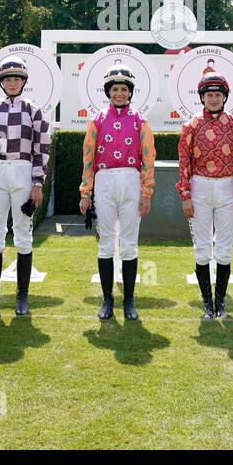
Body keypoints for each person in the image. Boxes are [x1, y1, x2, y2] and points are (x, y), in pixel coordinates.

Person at [0, 57, 51, 316]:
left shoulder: (34, 111)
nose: (12, 82)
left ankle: (22, 297)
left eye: (17, 78)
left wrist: (37, 183)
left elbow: (42, 150)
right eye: (8, 79)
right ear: (1, 82)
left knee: (23, 235)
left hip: (23, 171)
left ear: (24, 81)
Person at [79, 64, 155, 321]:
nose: (119, 93)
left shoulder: (140, 120)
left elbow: (148, 158)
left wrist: (146, 192)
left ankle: (129, 302)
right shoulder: (97, 120)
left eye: (123, 89)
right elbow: (88, 157)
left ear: (130, 92)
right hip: (104, 180)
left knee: (129, 244)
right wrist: (85, 192)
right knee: (106, 243)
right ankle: (107, 300)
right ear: (108, 92)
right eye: (115, 89)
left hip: (131, 180)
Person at [177, 72, 233, 320]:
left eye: (217, 95)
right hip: (199, 187)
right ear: (201, 97)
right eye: (209, 95)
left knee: (224, 248)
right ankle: (206, 302)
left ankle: (220, 302)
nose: (213, 99)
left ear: (225, 97)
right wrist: (185, 195)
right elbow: (184, 163)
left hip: (228, 188)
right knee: (201, 248)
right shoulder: (191, 126)